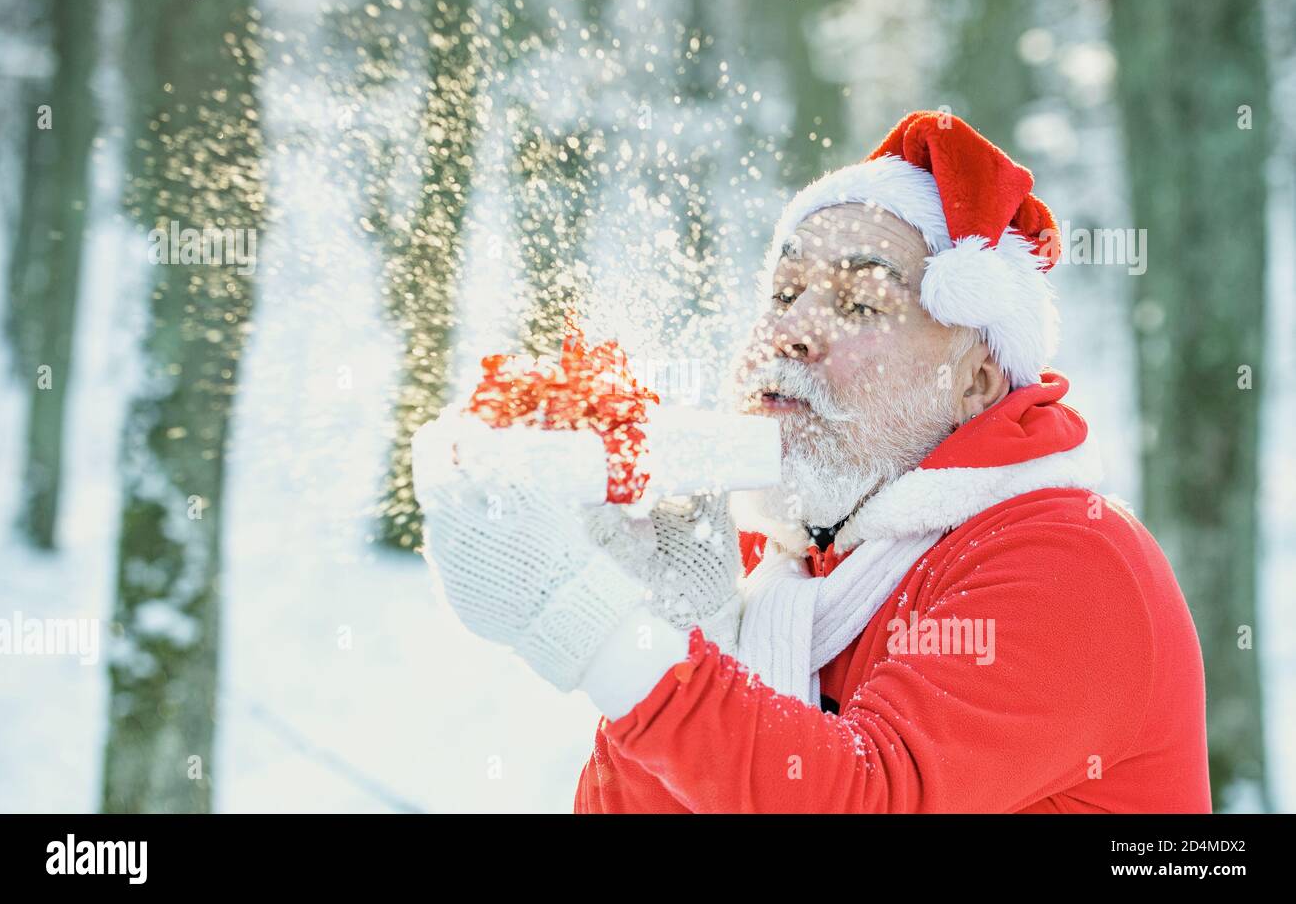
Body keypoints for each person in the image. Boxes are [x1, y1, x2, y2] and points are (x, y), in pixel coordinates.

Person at [415, 111, 1211, 813]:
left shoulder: (1072, 560)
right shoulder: (779, 569)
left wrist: (585, 619)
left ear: (976, 380)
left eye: (862, 303)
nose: (793, 331)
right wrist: (687, 623)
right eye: (786, 292)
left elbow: (862, 794)